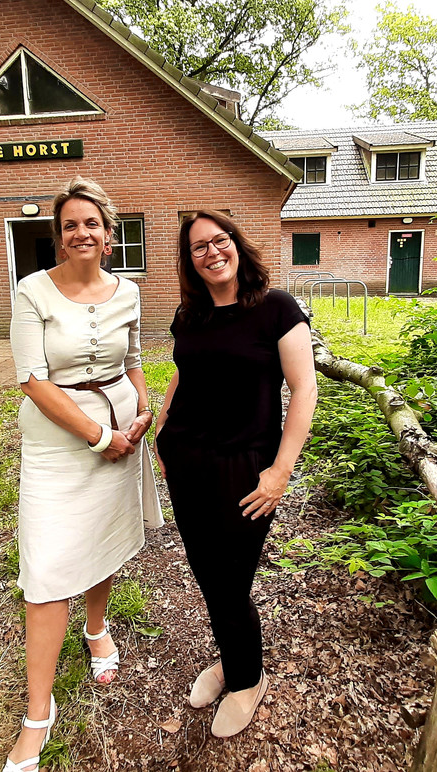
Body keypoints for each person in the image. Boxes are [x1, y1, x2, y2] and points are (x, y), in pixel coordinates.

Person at [5, 177, 163, 772]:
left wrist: (142, 416)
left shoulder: (129, 291)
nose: (81, 233)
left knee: (102, 543)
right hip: (60, 443)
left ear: (109, 233)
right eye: (70, 224)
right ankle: (37, 715)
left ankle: (97, 628)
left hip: (125, 432)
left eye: (91, 223)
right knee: (45, 573)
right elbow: (32, 378)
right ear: (58, 236)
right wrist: (98, 436)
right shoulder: (32, 292)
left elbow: (135, 360)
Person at [155, 210, 317, 738]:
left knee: (230, 578)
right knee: (208, 572)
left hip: (246, 466)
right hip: (188, 460)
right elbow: (184, 374)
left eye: (218, 241)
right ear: (190, 261)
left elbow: (304, 390)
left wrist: (280, 471)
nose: (211, 253)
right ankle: (232, 657)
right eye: (198, 247)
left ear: (237, 245)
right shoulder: (190, 315)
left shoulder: (276, 309)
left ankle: (246, 679)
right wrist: (162, 430)